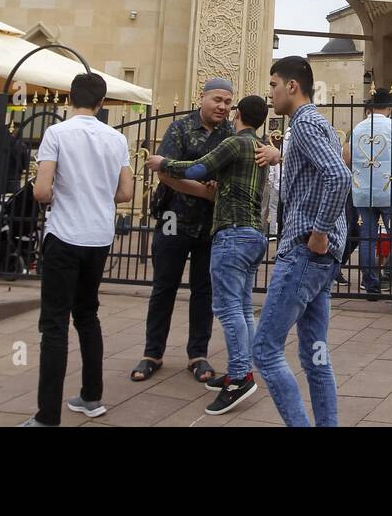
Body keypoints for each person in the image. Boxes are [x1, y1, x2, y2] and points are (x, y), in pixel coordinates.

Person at [22, 73, 134, 426]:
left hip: (65, 234)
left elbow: (41, 191)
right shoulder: (117, 139)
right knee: (87, 314)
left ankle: (47, 417)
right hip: (99, 237)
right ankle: (91, 395)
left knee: (54, 323)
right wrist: (97, 195)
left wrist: (65, 194)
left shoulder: (57, 133)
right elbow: (126, 193)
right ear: (102, 102)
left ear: (70, 98)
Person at [150, 94, 270, 416]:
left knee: (228, 309)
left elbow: (199, 168)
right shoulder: (260, 148)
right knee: (244, 308)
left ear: (239, 114)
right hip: (254, 234)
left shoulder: (236, 142)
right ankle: (243, 370)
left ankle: (240, 379)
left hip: (231, 233)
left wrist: (163, 164)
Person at [250, 56, 350, 427]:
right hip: (321, 262)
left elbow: (338, 176)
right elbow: (320, 170)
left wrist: (321, 231)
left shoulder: (304, 124)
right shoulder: (315, 125)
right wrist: (281, 155)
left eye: (274, 83)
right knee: (316, 356)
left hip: (305, 252)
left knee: (264, 349)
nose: (270, 92)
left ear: (292, 85)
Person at [131, 78, 235, 385]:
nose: (222, 107)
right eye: (217, 100)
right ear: (201, 98)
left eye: (228, 103)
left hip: (210, 225)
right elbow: (166, 174)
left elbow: (229, 179)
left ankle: (197, 355)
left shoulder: (230, 134)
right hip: (173, 219)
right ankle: (152, 353)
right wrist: (206, 192)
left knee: (204, 290)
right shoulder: (180, 129)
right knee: (164, 287)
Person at [342, 88, 392, 299]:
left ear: (370, 107)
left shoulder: (358, 129)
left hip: (363, 191)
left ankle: (371, 286)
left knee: (367, 239)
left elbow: (346, 156)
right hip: (391, 190)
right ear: (390, 108)